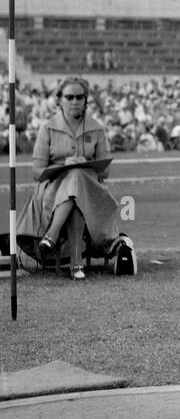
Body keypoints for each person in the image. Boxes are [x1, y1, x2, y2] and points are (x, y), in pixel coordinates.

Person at [18, 77, 136, 279]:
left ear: (86, 100)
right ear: (59, 100)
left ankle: (51, 237)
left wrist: (84, 164)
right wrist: (63, 165)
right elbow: (37, 172)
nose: (74, 101)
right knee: (75, 180)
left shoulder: (96, 129)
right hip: (51, 193)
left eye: (79, 97)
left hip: (90, 191)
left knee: (79, 179)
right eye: (69, 97)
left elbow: (105, 172)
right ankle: (76, 264)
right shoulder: (47, 128)